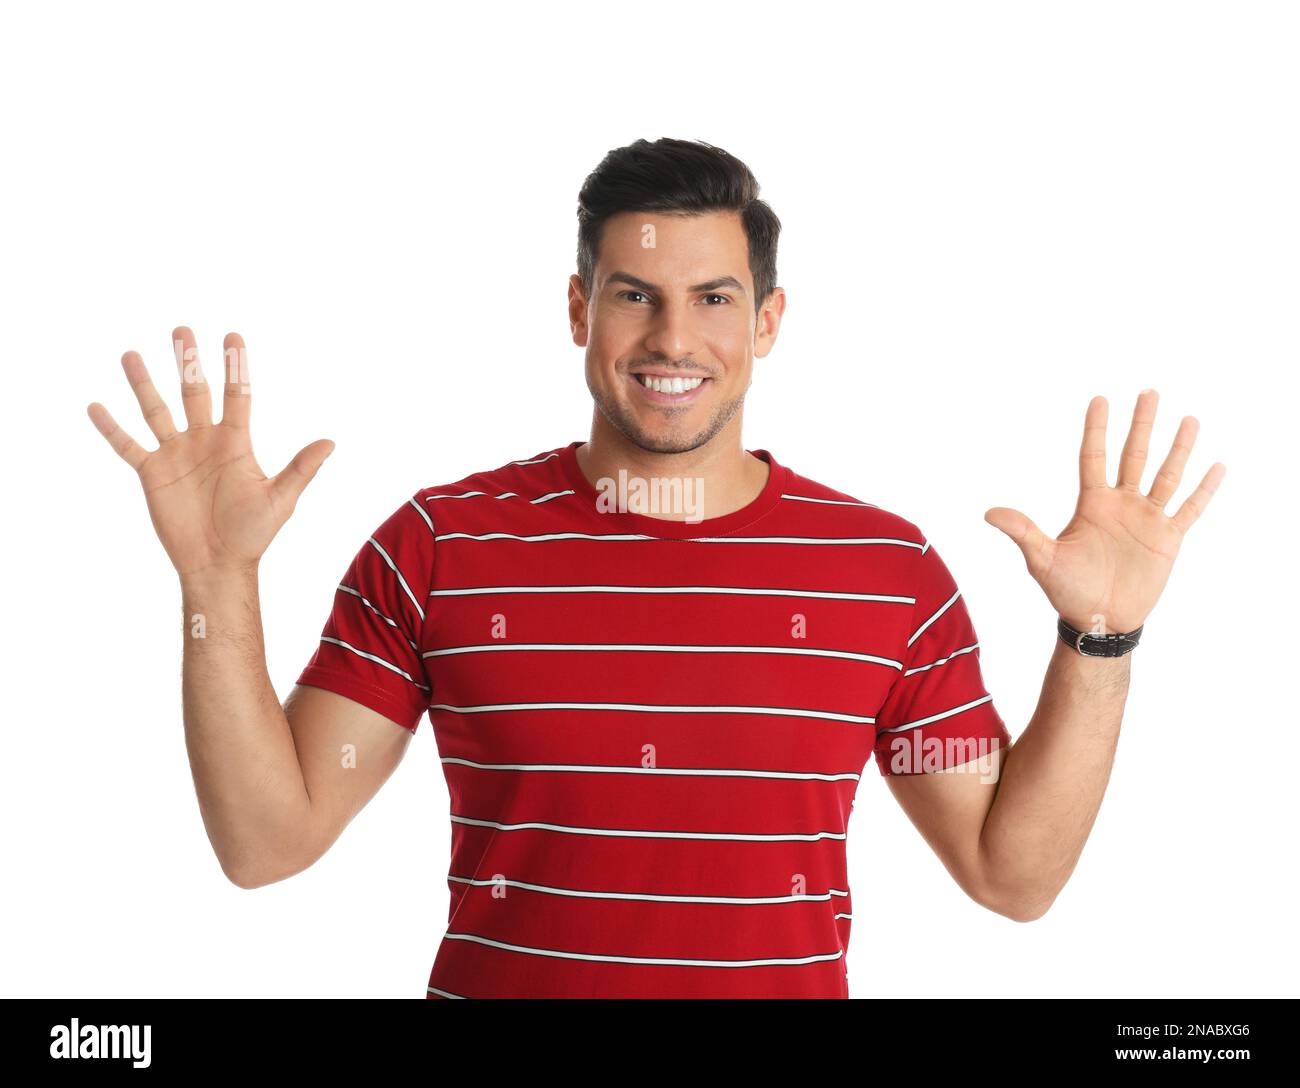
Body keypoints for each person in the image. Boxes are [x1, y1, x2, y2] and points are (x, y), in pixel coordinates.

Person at [86, 137, 1225, 999]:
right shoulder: (440, 547)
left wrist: (1100, 642)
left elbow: (1007, 873)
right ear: (580, 308)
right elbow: (264, 842)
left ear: (767, 319)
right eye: (634, 294)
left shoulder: (884, 574)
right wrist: (215, 583)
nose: (672, 338)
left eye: (712, 298)